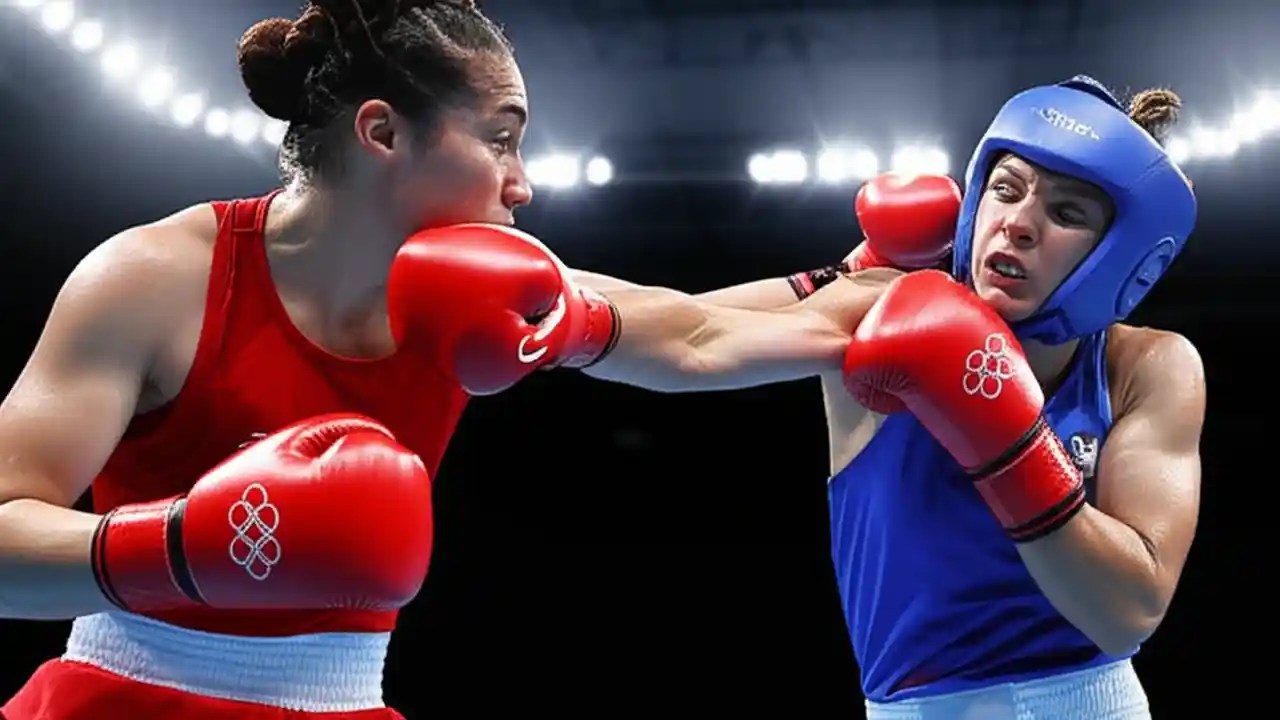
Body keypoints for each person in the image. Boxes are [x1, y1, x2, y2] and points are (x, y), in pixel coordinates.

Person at [0, 2, 885, 718]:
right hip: (125, 698)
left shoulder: (477, 295)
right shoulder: (157, 278)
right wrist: (185, 550)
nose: (524, 181)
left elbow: (692, 329)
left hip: (347, 703)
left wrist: (878, 279)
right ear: (382, 133)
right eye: (501, 137)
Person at [640, 76, 1201, 718]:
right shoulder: (879, 305)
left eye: (1066, 213)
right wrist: (558, 314)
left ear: (1118, 253)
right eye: (1006, 189)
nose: (1018, 224)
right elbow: (690, 333)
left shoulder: (1146, 365)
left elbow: (1129, 612)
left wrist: (1003, 438)